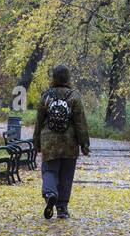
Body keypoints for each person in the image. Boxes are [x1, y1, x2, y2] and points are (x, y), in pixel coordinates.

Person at [34, 65, 89, 220]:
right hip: (69, 142)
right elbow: (80, 122)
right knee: (66, 175)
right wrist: (84, 144)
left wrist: (36, 142)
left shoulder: (46, 95)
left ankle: (51, 193)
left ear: (54, 78)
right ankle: (62, 208)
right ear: (68, 78)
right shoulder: (74, 96)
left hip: (49, 141)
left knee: (49, 171)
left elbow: (39, 121)